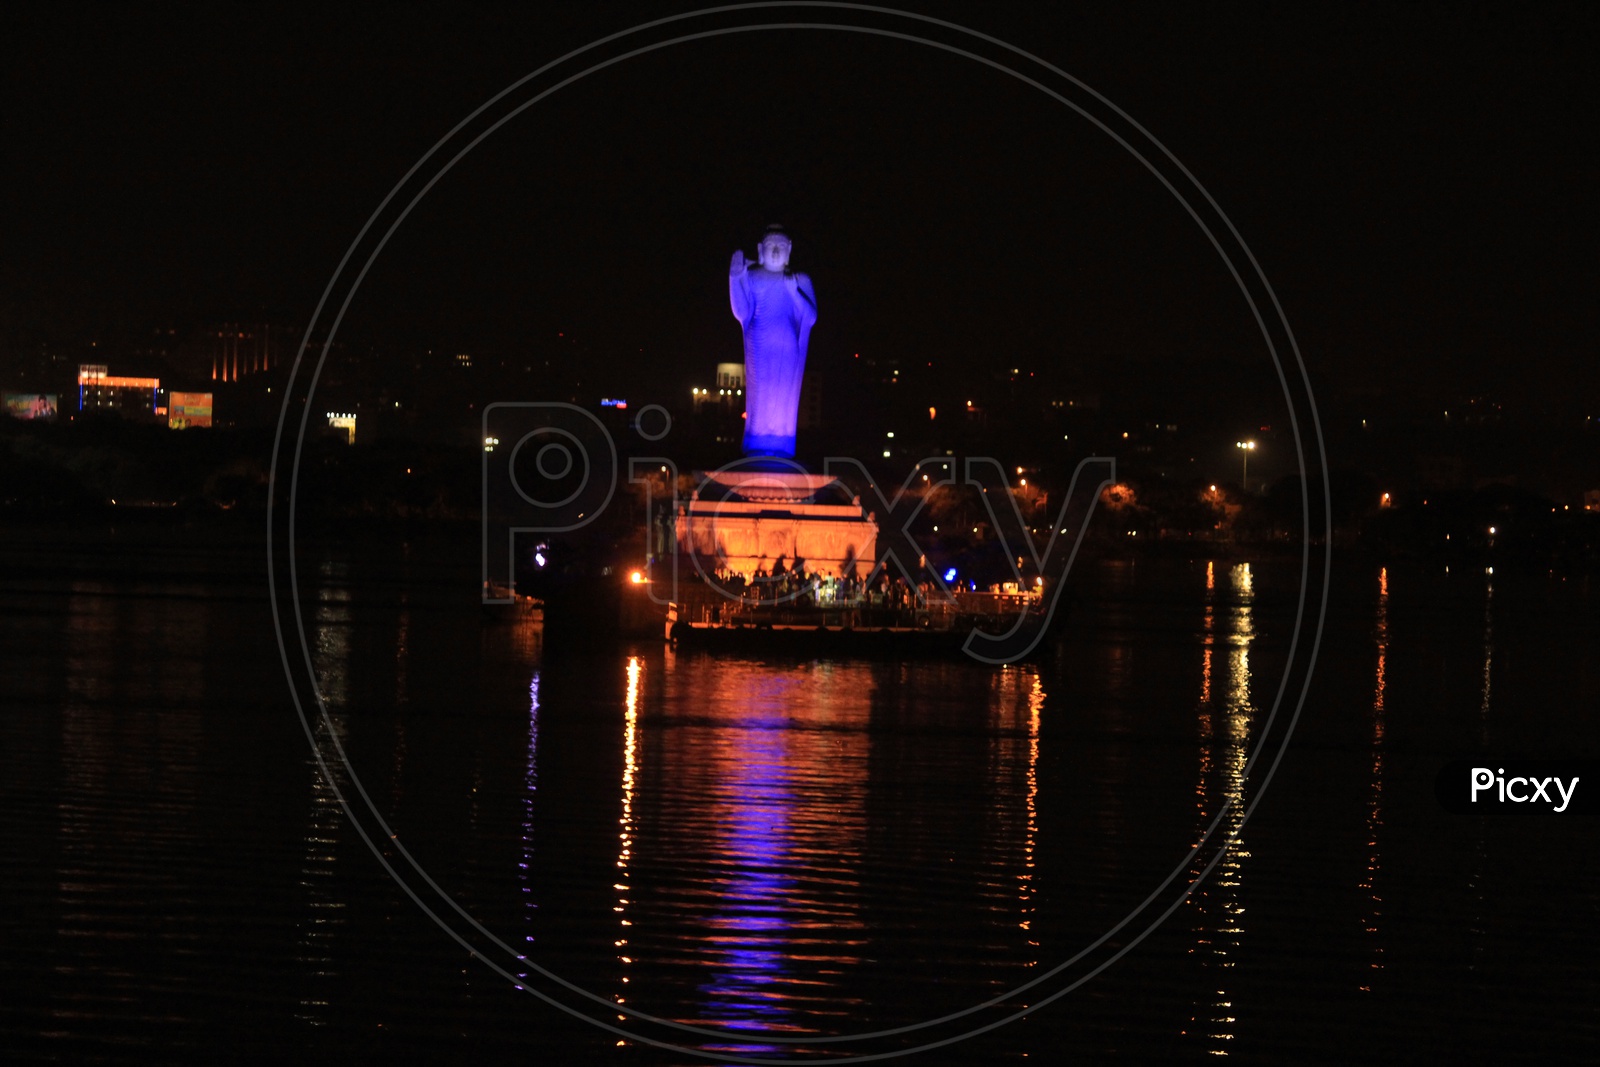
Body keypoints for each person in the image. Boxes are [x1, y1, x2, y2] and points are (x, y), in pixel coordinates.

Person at [729, 225, 817, 459]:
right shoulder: (753, 276)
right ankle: (756, 440)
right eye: (770, 247)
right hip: (759, 340)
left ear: (789, 250)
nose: (776, 252)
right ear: (760, 250)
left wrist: (794, 291)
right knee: (761, 392)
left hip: (787, 344)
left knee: (783, 393)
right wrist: (734, 278)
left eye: (780, 247)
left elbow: (810, 317)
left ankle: (782, 441)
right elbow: (742, 312)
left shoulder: (799, 279)